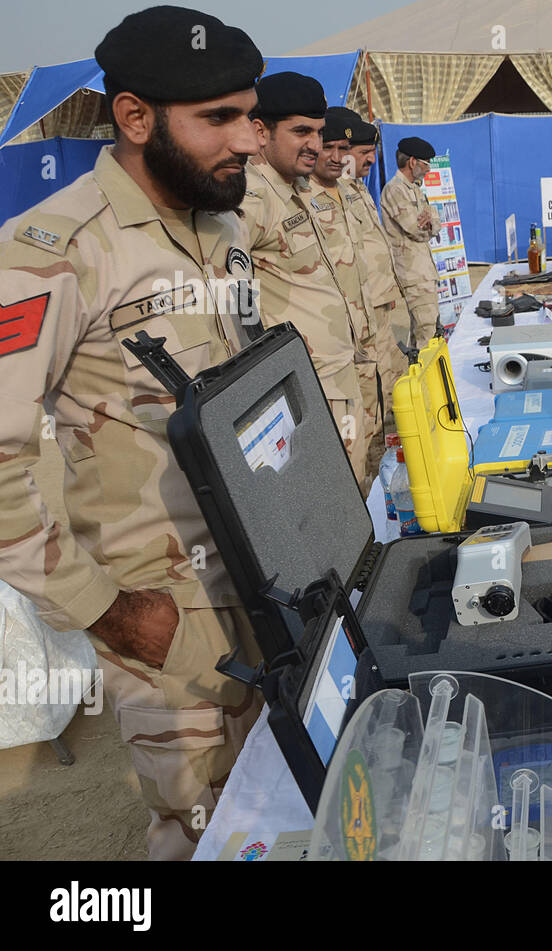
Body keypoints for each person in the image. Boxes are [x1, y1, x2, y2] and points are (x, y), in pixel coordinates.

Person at [0, 5, 266, 860]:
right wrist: (106, 611)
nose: (250, 140)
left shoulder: (222, 228)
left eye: (250, 114)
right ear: (136, 117)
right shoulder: (53, 252)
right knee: (197, 828)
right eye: (220, 118)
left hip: (265, 583)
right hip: (165, 615)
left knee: (265, 803)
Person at [242, 72, 371, 487]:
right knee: (333, 496)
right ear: (261, 132)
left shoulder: (296, 188)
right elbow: (230, 306)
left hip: (340, 375)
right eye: (302, 131)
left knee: (356, 484)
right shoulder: (251, 198)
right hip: (310, 390)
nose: (315, 145)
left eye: (318, 132)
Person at [310, 107, 408, 489]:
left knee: (387, 413)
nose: (345, 157)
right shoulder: (302, 197)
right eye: (332, 147)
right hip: (342, 341)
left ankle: (382, 489)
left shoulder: (351, 190)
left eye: (347, 148)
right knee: (358, 431)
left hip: (375, 324)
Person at [380, 136, 442, 344]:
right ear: (412, 162)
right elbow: (415, 229)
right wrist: (429, 221)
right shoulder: (395, 189)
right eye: (426, 164)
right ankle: (428, 376)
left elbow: (434, 221)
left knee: (423, 333)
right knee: (428, 333)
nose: (429, 170)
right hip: (413, 273)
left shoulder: (414, 188)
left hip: (423, 271)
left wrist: (431, 220)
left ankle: (420, 375)